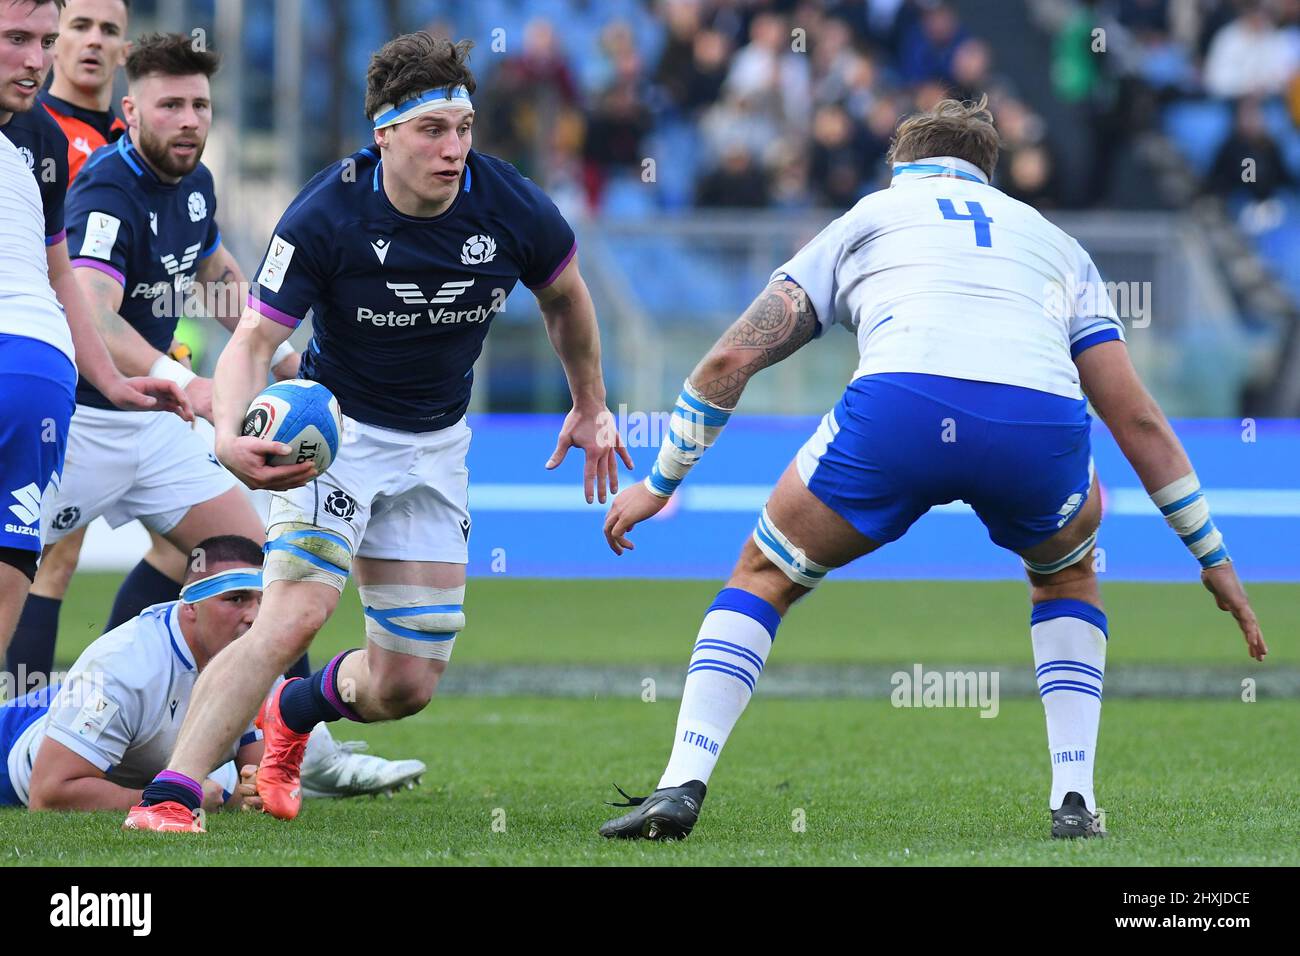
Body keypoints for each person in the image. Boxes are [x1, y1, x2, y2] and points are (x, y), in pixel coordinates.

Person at [598, 96, 1267, 841]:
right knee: (1068, 575)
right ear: (989, 174)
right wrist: (1213, 558)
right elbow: (1135, 417)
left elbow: (731, 357)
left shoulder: (868, 217)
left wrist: (659, 483)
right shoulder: (1055, 242)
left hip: (902, 408)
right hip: (1035, 423)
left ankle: (681, 785)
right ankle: (1074, 802)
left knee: (764, 573)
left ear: (901, 166)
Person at [123, 32, 630, 833]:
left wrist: (590, 404)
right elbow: (253, 341)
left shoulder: (509, 204)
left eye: (464, 128)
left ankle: (295, 712)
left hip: (438, 445)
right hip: (336, 439)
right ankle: (172, 796)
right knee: (292, 615)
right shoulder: (327, 213)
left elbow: (567, 296)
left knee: (404, 688)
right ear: (384, 132)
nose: (454, 147)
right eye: (433, 130)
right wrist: (226, 434)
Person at [40, 32, 300, 637]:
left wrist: (290, 360)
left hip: (159, 425)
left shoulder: (196, 182)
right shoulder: (107, 190)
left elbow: (217, 278)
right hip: (81, 421)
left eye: (200, 106)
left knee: (254, 560)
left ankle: (288, 731)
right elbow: (96, 316)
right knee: (18, 568)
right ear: (129, 113)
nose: (189, 122)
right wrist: (188, 383)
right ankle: (24, 723)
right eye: (170, 107)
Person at [0, 0, 188, 661]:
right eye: (19, 38)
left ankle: (85, 713)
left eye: (43, 40)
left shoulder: (61, 138)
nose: (39, 58)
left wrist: (122, 374)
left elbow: (65, 275)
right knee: (39, 562)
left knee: (44, 559)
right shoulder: (51, 133)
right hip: (54, 382)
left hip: (52, 375)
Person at [0, 535, 424, 821]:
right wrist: (172, 799)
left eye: (262, 601)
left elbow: (253, 771)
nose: (255, 617)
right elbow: (49, 794)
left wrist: (256, 787)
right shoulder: (125, 666)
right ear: (189, 607)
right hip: (17, 748)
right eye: (235, 599)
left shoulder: (256, 650)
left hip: (135, 752)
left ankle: (322, 766)